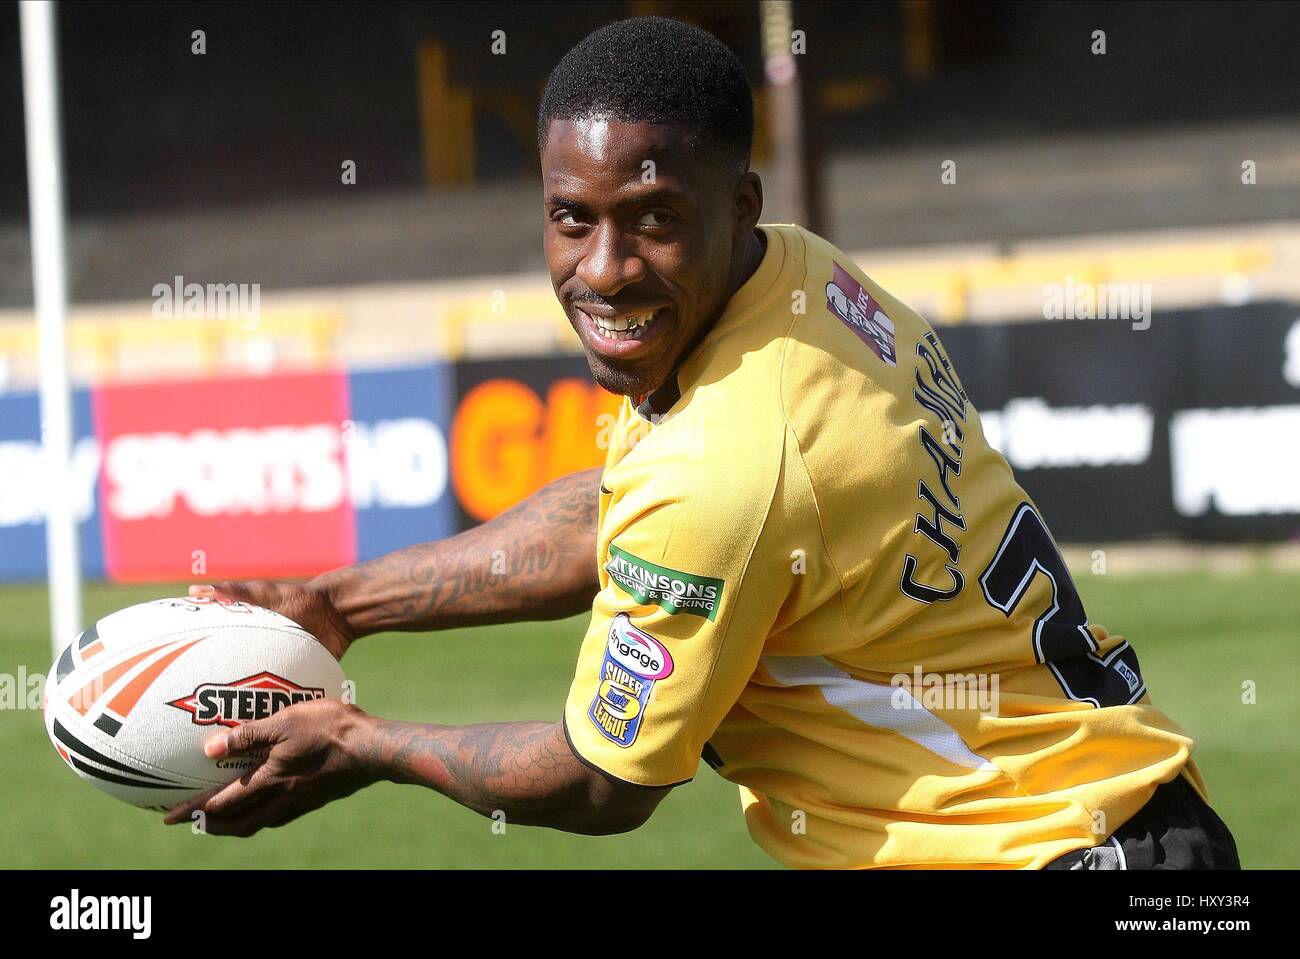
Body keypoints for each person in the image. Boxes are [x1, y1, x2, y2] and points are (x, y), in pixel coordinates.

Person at [165, 16, 1238, 870]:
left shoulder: (739, 453)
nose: (605, 269)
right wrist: (341, 601)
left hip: (1036, 848)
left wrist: (365, 744)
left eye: (652, 218)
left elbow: (603, 779)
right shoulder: (795, 277)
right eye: (571, 217)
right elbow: (616, 512)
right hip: (1114, 816)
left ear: (737, 204)